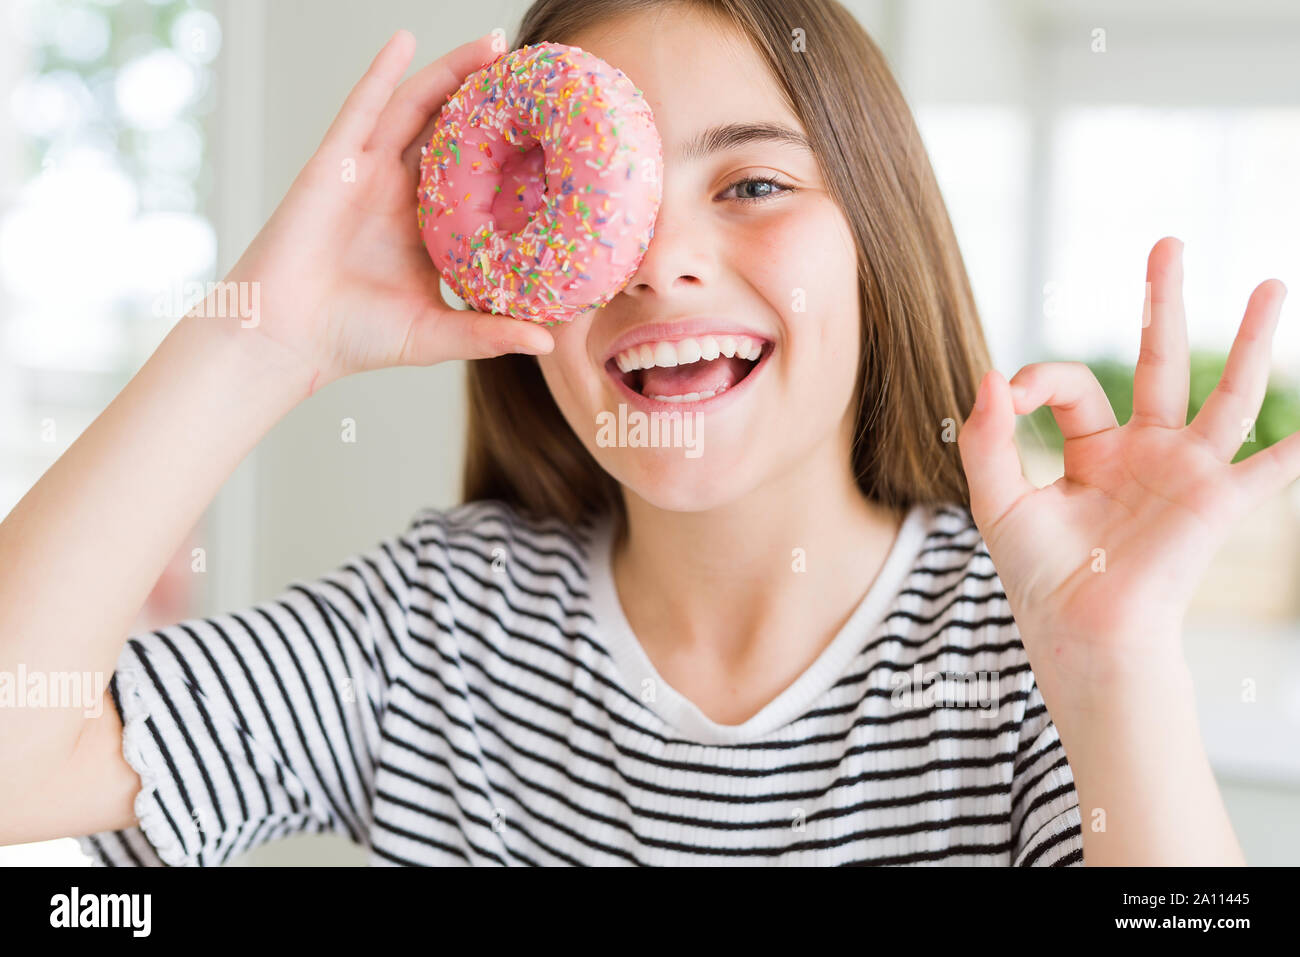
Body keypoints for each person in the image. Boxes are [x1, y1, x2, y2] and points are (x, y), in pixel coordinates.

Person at [3, 0, 1286, 866]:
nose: (659, 262)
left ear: (873, 241)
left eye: (752, 184)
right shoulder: (434, 630)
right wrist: (257, 339)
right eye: (582, 202)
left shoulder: (1020, 652)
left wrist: (1113, 676)